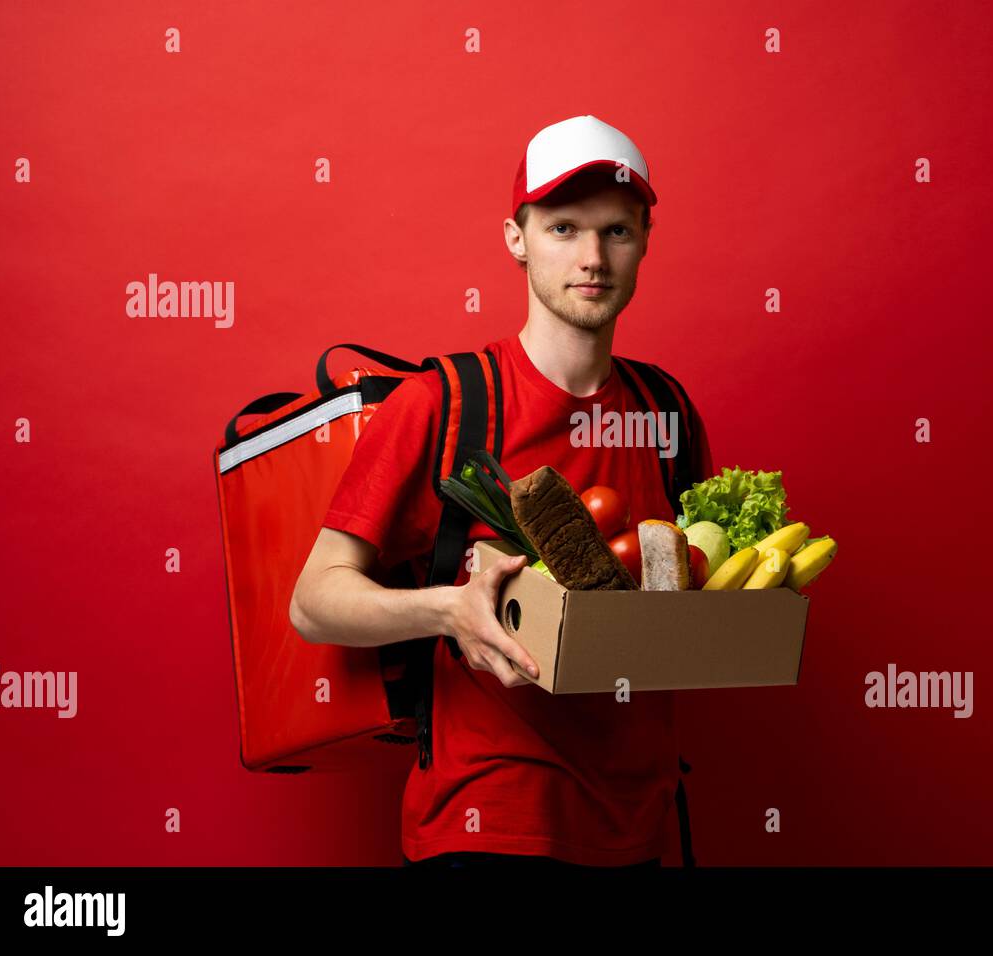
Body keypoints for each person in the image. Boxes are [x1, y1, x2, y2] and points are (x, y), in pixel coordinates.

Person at [290, 114, 714, 868]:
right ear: (516, 238)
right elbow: (314, 600)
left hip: (641, 823)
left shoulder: (666, 411)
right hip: (488, 819)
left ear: (646, 239)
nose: (591, 257)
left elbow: (690, 606)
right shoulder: (445, 402)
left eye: (615, 231)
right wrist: (448, 608)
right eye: (562, 229)